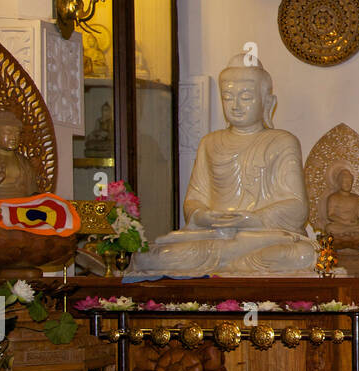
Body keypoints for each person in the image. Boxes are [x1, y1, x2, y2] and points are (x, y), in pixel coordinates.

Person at [128, 53, 315, 277]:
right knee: (149, 256)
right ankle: (237, 265)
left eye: (245, 97)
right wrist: (201, 216)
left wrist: (251, 219)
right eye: (227, 97)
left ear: (268, 102)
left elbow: (297, 207)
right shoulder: (210, 143)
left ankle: (232, 264)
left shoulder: (282, 141)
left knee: (302, 254)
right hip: (212, 238)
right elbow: (194, 200)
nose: (235, 106)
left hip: (260, 237)